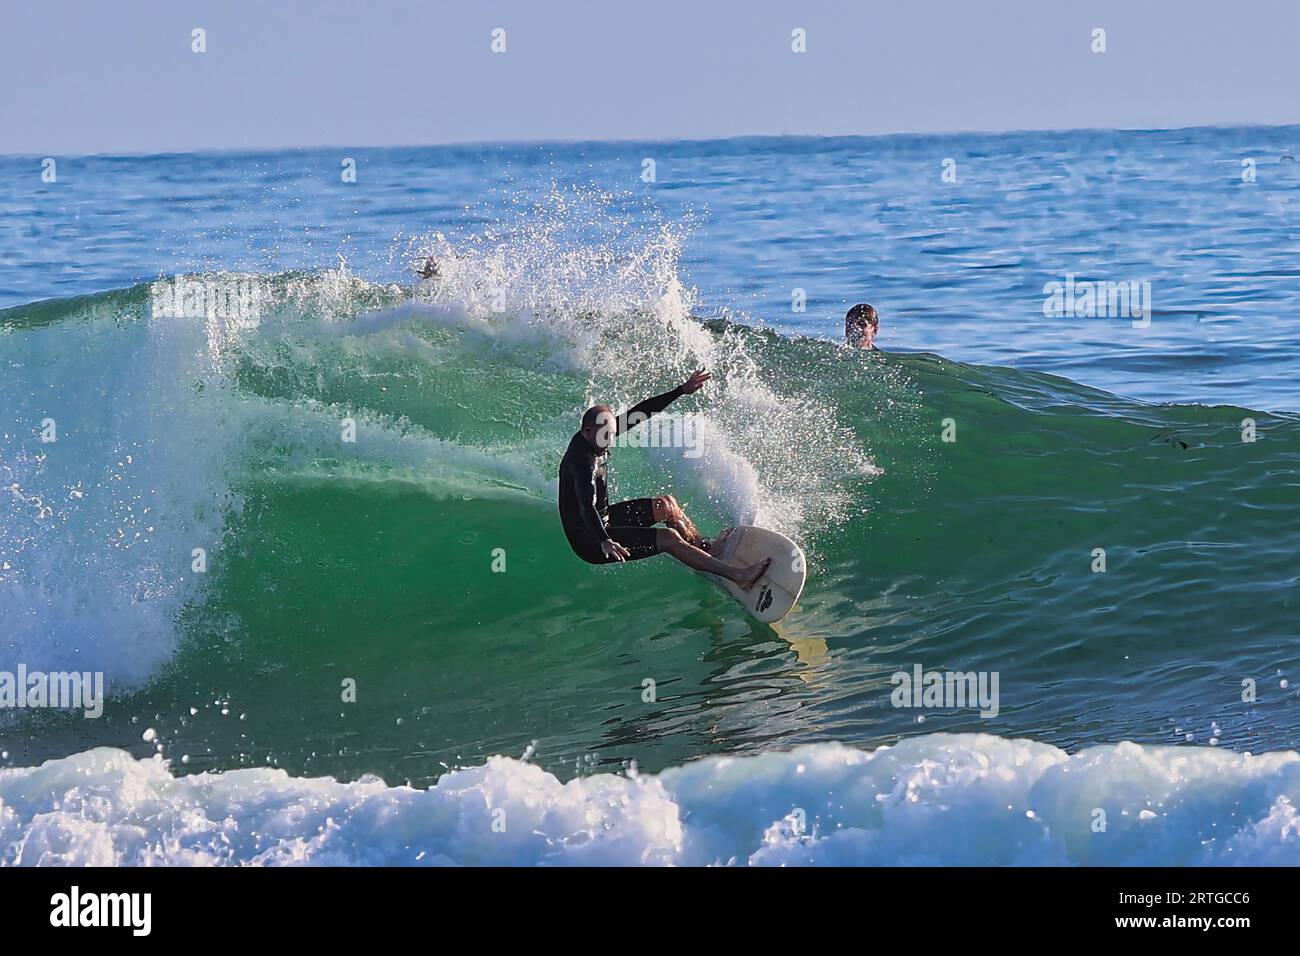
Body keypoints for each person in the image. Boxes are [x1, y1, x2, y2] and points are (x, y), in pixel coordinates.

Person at [557, 370, 770, 590]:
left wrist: (680, 391)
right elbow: (586, 507)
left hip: (606, 519)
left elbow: (642, 411)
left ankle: (704, 548)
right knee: (668, 538)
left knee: (666, 505)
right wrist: (604, 540)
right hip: (592, 540)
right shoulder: (582, 461)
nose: (610, 442)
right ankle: (737, 576)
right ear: (587, 431)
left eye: (613, 435)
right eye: (605, 437)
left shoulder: (601, 432)